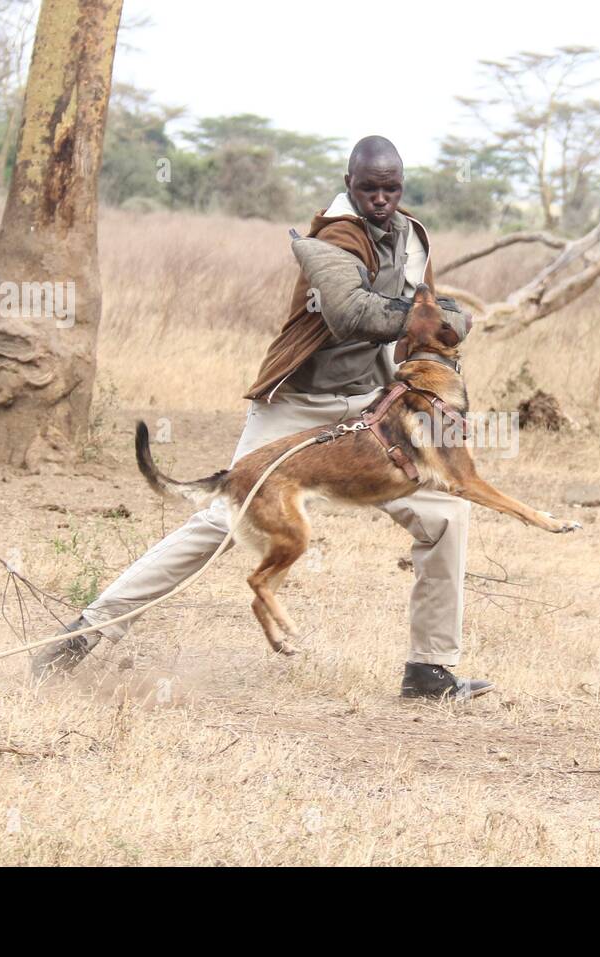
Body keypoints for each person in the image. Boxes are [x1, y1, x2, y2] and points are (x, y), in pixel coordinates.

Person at [31, 135, 492, 701]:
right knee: (223, 520)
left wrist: (440, 323)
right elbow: (352, 314)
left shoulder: (412, 236)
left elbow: (434, 314)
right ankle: (89, 631)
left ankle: (430, 671)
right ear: (349, 184)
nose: (380, 199)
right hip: (297, 402)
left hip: (372, 405)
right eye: (368, 187)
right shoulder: (330, 239)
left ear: (402, 187)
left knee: (445, 512)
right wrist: (432, 319)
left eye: (390, 188)